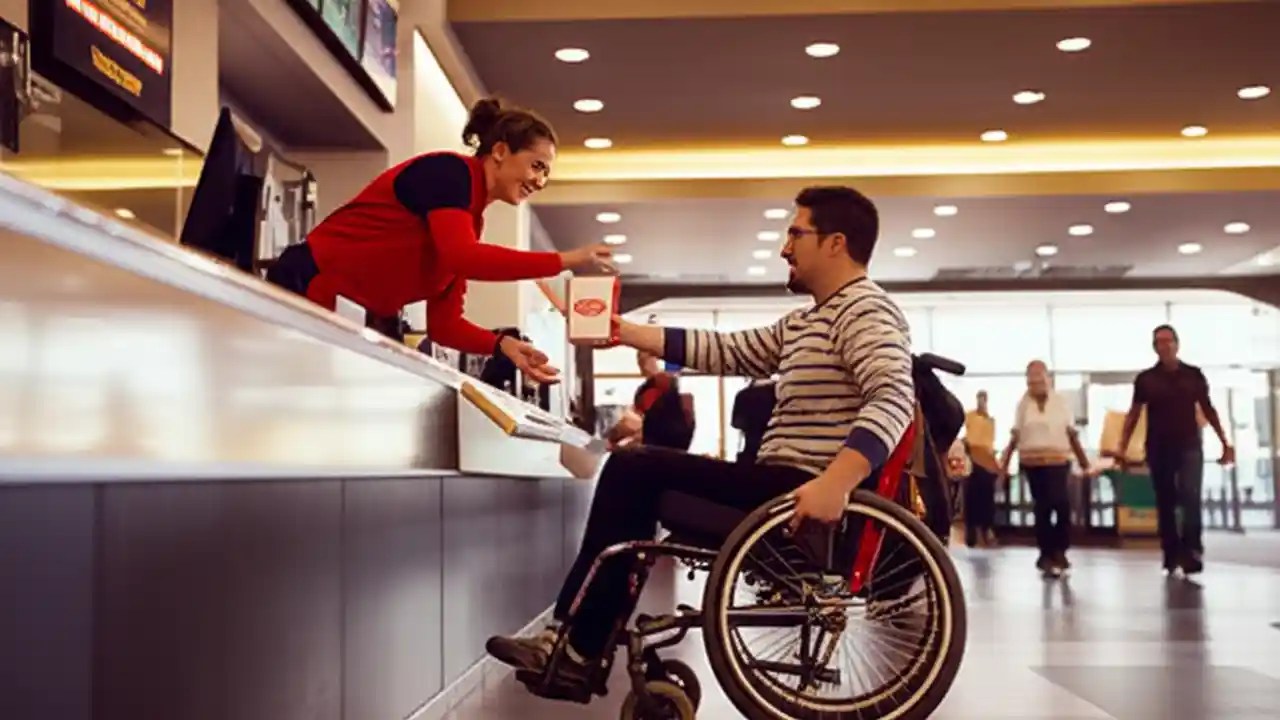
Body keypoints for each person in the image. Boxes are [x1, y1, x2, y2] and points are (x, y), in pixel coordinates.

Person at [485, 185, 916, 686]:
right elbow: (725, 349)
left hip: (799, 487)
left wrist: (837, 482)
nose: (784, 247)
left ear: (836, 243)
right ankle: (581, 643)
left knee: (632, 467)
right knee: (638, 476)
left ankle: (577, 646)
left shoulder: (865, 310)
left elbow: (893, 398)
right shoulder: (808, 321)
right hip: (778, 483)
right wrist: (620, 330)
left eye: (796, 233)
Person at [265, 97, 614, 383]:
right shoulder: (452, 173)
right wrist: (564, 260)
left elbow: (445, 325)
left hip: (353, 319)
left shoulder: (469, 221)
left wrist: (502, 345)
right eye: (537, 166)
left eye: (546, 174)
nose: (540, 181)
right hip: (307, 288)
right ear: (501, 151)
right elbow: (464, 258)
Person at [1116, 324, 1233, 575]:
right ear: (1155, 347)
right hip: (1159, 447)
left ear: (1177, 345)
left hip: (1189, 445)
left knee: (1190, 496)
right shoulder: (1146, 379)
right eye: (1160, 342)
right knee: (1165, 501)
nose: (1165, 346)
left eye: (1169, 341)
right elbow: (1133, 414)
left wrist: (1225, 442)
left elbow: (1208, 408)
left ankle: (1191, 550)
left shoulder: (1193, 375)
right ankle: (1171, 553)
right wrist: (1121, 448)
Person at [1000, 360, 1092, 577]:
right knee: (1042, 507)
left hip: (1059, 461)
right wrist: (1004, 464)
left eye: (1039, 378)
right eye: (1031, 379)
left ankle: (1060, 551)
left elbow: (1071, 433)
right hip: (1032, 463)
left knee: (1061, 505)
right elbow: (1015, 436)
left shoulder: (1061, 402)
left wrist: (1084, 462)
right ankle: (1045, 555)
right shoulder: (1023, 404)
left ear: (1047, 379)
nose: (1035, 383)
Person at [962, 391, 999, 547]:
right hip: (973, 457)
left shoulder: (990, 421)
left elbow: (989, 442)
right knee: (971, 496)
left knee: (987, 497)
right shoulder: (970, 416)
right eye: (979, 398)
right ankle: (972, 532)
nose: (981, 402)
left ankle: (986, 529)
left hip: (987, 460)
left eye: (984, 399)